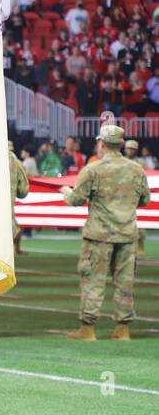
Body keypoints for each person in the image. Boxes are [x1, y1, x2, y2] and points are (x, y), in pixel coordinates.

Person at [61, 125, 150, 341]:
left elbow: (75, 200)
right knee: (124, 282)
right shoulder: (136, 169)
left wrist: (65, 191)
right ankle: (122, 329)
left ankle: (88, 329)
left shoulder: (93, 169)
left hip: (99, 235)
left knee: (93, 280)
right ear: (121, 144)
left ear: (102, 144)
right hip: (127, 234)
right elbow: (145, 200)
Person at [8, 140, 30, 255]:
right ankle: (15, 250)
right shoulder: (14, 160)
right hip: (7, 208)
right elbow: (23, 190)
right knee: (13, 228)